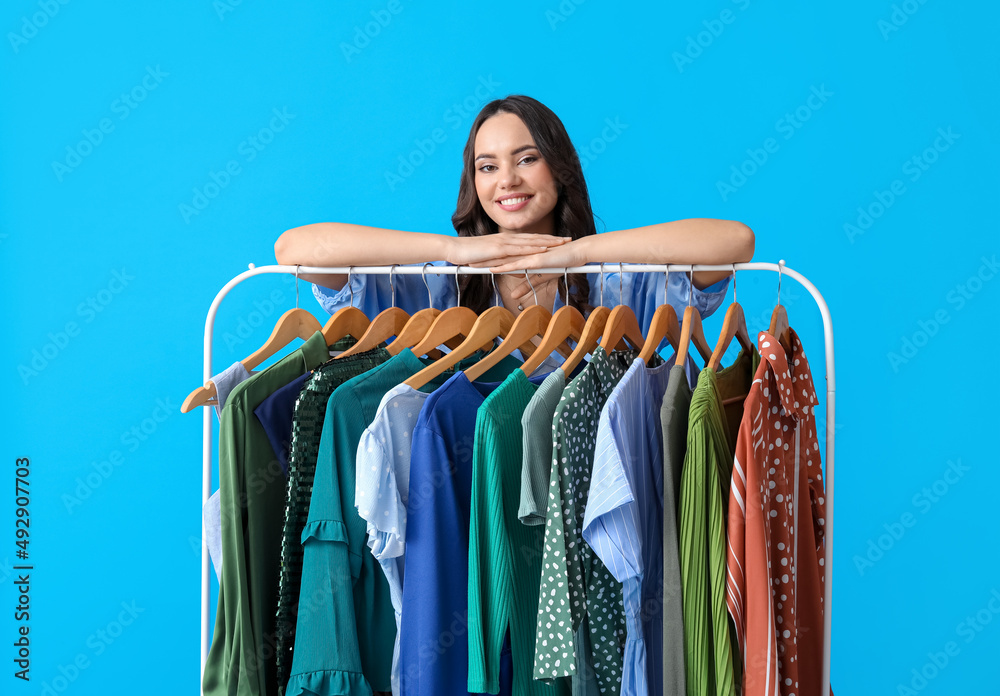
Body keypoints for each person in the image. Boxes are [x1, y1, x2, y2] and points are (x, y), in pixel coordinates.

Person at [274, 94, 754, 343]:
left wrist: (577, 253)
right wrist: (454, 251)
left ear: (558, 166)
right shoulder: (435, 289)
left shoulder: (620, 287)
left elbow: (734, 241)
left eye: (526, 159)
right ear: (474, 182)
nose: (506, 180)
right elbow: (293, 249)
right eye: (487, 166)